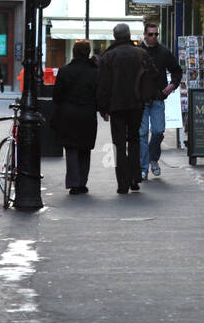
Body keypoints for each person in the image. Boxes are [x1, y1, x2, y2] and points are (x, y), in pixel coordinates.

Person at [96, 22, 152, 195]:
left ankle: (123, 183)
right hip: (136, 104)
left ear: (115, 37)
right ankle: (135, 177)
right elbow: (151, 76)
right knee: (134, 139)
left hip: (116, 105)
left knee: (119, 144)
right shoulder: (141, 53)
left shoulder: (108, 56)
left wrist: (102, 107)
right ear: (128, 35)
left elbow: (103, 84)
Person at [52, 41, 99, 194]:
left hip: (69, 113)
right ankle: (82, 182)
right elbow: (99, 94)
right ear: (88, 53)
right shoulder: (95, 72)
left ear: (74, 53)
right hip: (88, 113)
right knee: (85, 148)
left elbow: (57, 96)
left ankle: (74, 182)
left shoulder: (65, 71)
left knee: (71, 148)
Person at [139, 22, 182, 181]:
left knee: (158, 131)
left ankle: (153, 158)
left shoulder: (163, 51)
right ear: (145, 34)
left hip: (158, 98)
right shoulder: (138, 52)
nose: (153, 37)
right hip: (142, 99)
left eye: (156, 34)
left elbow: (177, 70)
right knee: (142, 134)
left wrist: (172, 85)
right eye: (150, 34)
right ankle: (143, 168)